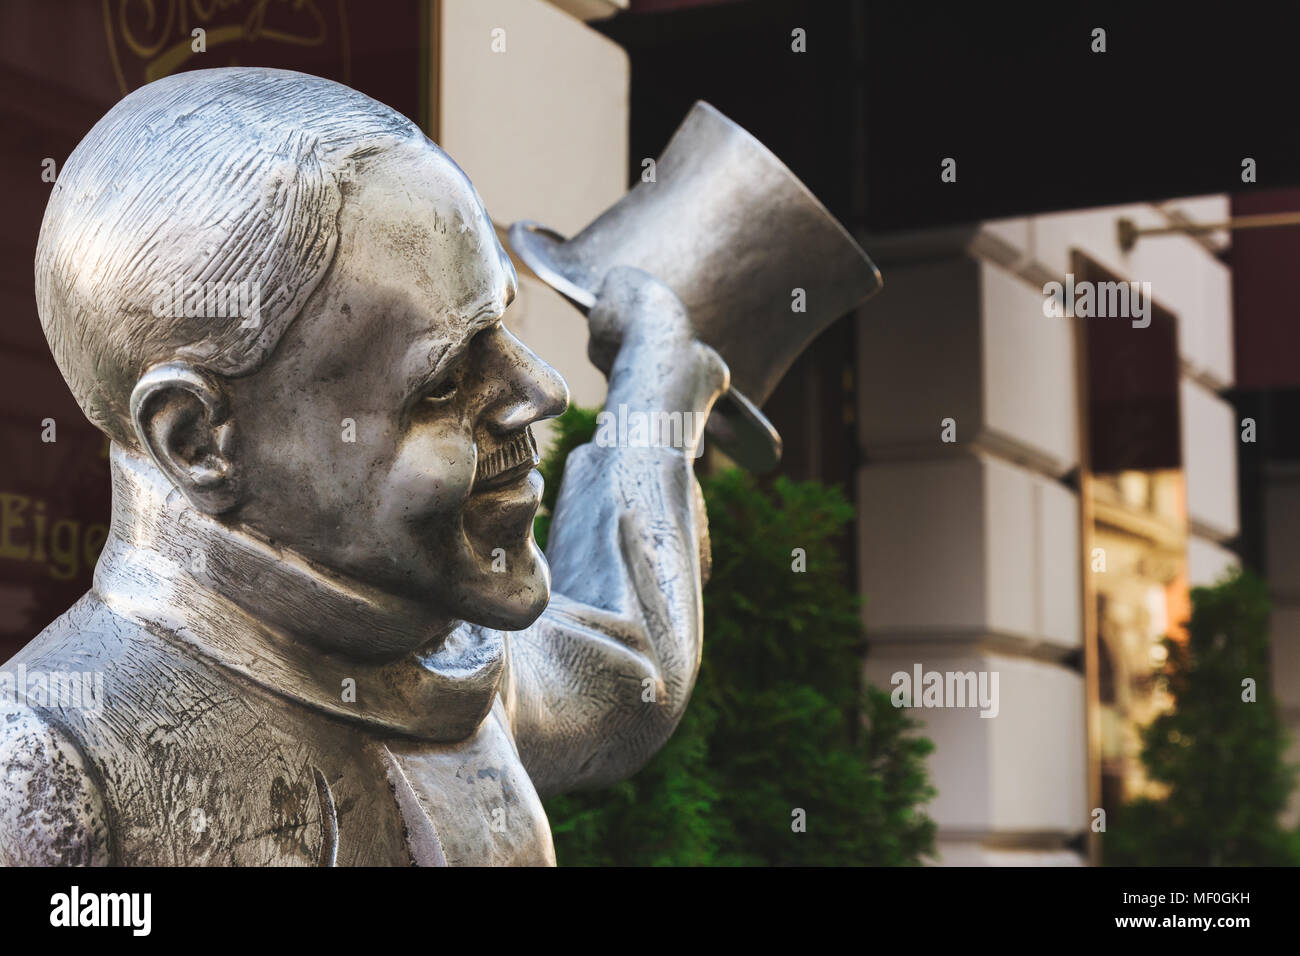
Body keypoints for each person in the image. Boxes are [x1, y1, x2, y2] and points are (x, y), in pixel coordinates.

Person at [0, 67, 727, 865]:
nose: (541, 390)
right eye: (444, 382)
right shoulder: (49, 771)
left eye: (501, 329)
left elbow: (627, 674)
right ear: (197, 441)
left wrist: (657, 385)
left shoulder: (443, 655)